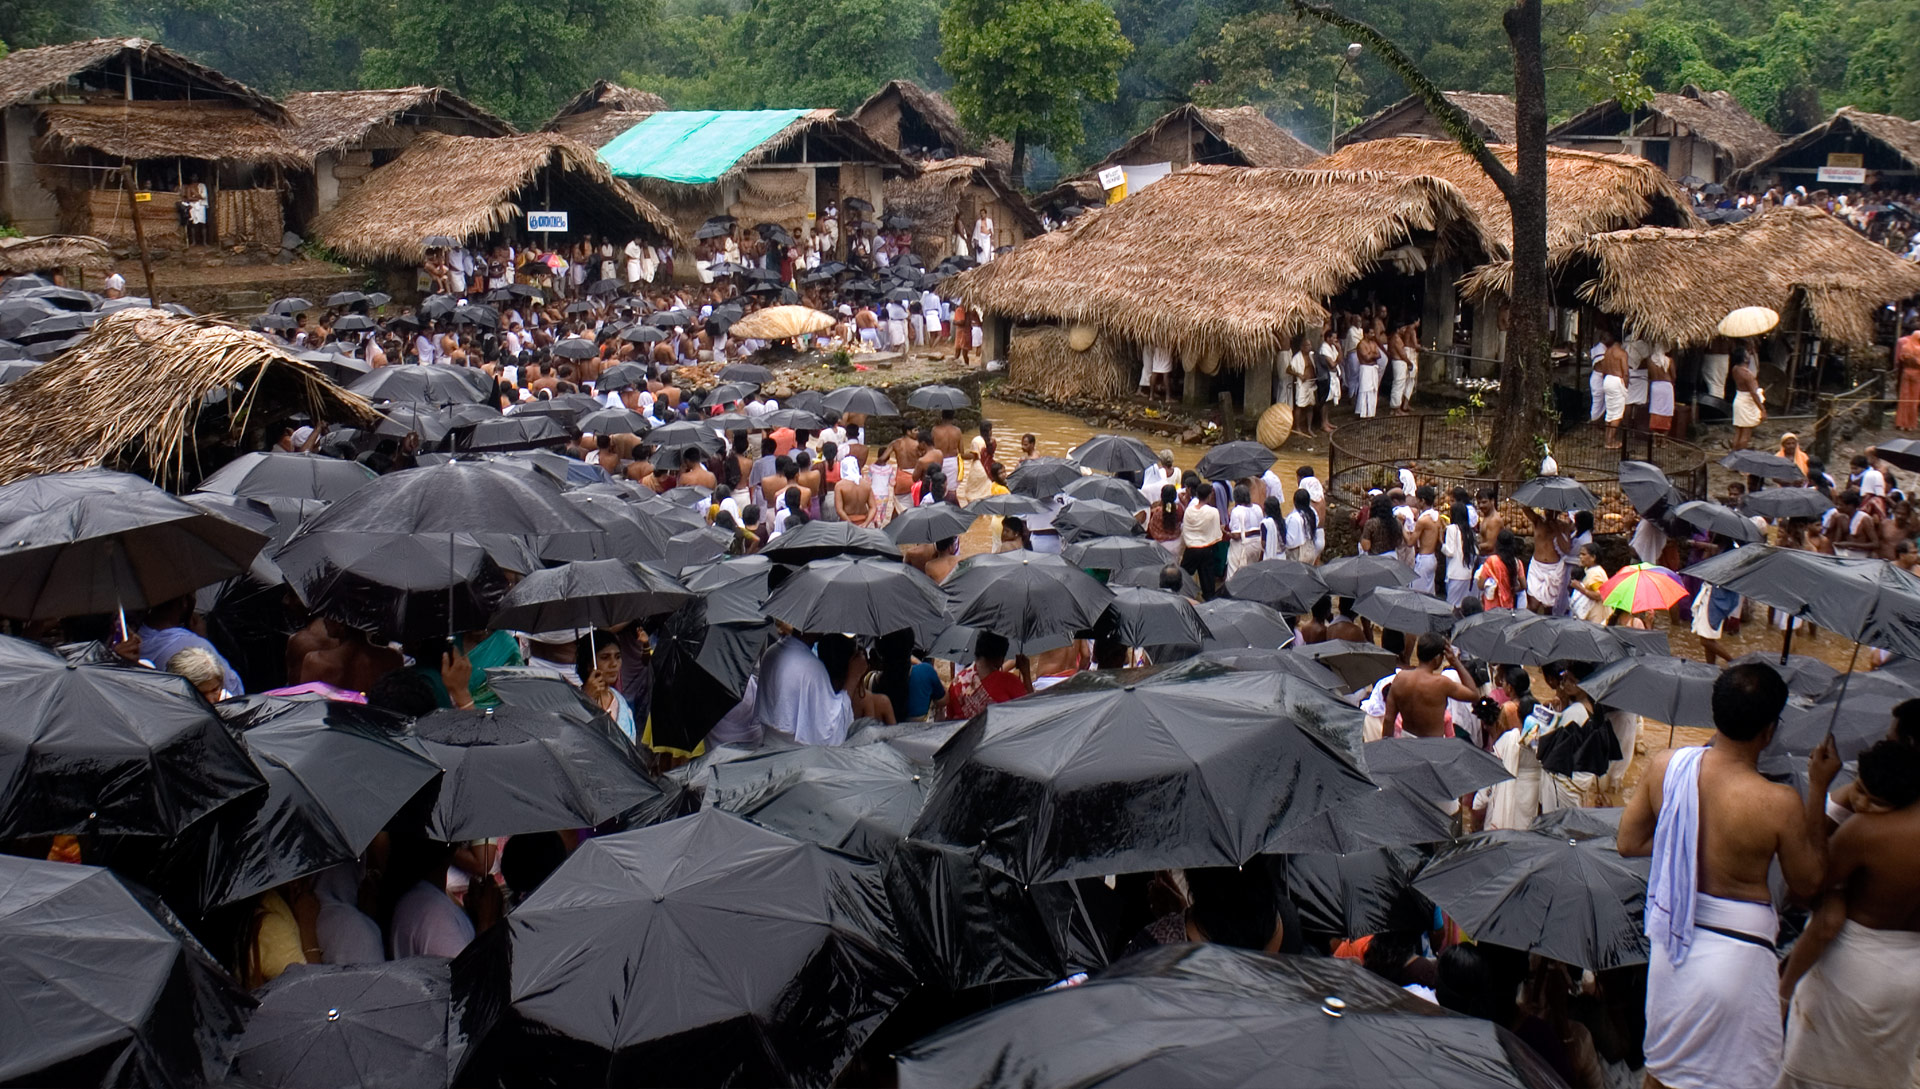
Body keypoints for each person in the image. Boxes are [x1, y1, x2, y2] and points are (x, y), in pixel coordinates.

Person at [1617, 664, 1840, 1089]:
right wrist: (1817, 788)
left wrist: (1685, 846)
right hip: (1737, 959)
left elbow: (1628, 842)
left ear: (1715, 712)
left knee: (1664, 1071)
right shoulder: (1779, 802)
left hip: (1672, 947)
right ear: (1769, 731)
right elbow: (1808, 884)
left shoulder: (1666, 767)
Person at [1777, 740, 1920, 1089]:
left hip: (1850, 974)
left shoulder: (1866, 831)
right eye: (1860, 792)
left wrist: (1819, 788)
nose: (1862, 804)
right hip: (1910, 980)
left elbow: (1804, 886)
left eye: (1874, 800)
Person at [753, 628, 852, 745]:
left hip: (769, 745)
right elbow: (828, 731)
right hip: (796, 754)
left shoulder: (771, 653)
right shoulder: (813, 668)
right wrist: (853, 677)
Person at [1380, 633, 1481, 738]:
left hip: (1407, 743)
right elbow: (1474, 695)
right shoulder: (1441, 683)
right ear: (1437, 658)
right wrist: (1455, 662)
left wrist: (1386, 747)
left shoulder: (1400, 679)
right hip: (1433, 746)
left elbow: (1388, 720)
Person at [139, 596, 243, 696]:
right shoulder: (196, 645)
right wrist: (202, 639)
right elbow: (233, 689)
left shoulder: (136, 638)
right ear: (184, 602)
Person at [945, 631, 1029, 719]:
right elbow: (1030, 712)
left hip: (967, 732)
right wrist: (1026, 675)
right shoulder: (1009, 681)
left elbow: (950, 720)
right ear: (1000, 658)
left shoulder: (956, 683)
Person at [574, 631, 634, 742]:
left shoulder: (620, 703)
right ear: (588, 664)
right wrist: (587, 699)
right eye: (605, 657)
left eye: (618, 657)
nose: (614, 664)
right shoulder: (573, 701)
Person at [1179, 478, 1224, 599]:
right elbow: (1217, 535)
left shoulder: (1189, 510)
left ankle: (1180, 597)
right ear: (1209, 496)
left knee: (1182, 578)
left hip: (1191, 549)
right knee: (1208, 583)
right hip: (1206, 549)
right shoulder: (1213, 512)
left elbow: (1185, 529)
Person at [1441, 500, 1477, 606]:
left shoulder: (1452, 529)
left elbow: (1450, 551)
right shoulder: (1469, 531)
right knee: (1462, 604)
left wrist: (1441, 544)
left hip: (1455, 574)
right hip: (1466, 574)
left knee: (1451, 606)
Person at [1731, 348, 1766, 451]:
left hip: (1739, 399)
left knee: (1738, 431)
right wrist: (1762, 409)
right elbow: (1754, 394)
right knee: (1746, 433)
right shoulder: (1747, 375)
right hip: (1746, 403)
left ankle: (1734, 456)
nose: (1750, 355)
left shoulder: (1735, 369)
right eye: (1747, 354)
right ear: (1745, 358)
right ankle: (1741, 456)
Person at [1225, 483, 1263, 577]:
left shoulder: (1237, 511)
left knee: (1234, 573)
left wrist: (1225, 532)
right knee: (1251, 573)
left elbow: (1236, 536)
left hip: (1242, 546)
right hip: (1257, 545)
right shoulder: (1257, 508)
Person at [1897, 324, 1920, 432]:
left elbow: (1901, 359)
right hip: (1917, 375)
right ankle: (1910, 424)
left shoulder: (1906, 347)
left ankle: (1901, 423)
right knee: (1913, 400)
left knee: (1903, 399)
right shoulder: (1918, 350)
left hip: (1906, 373)